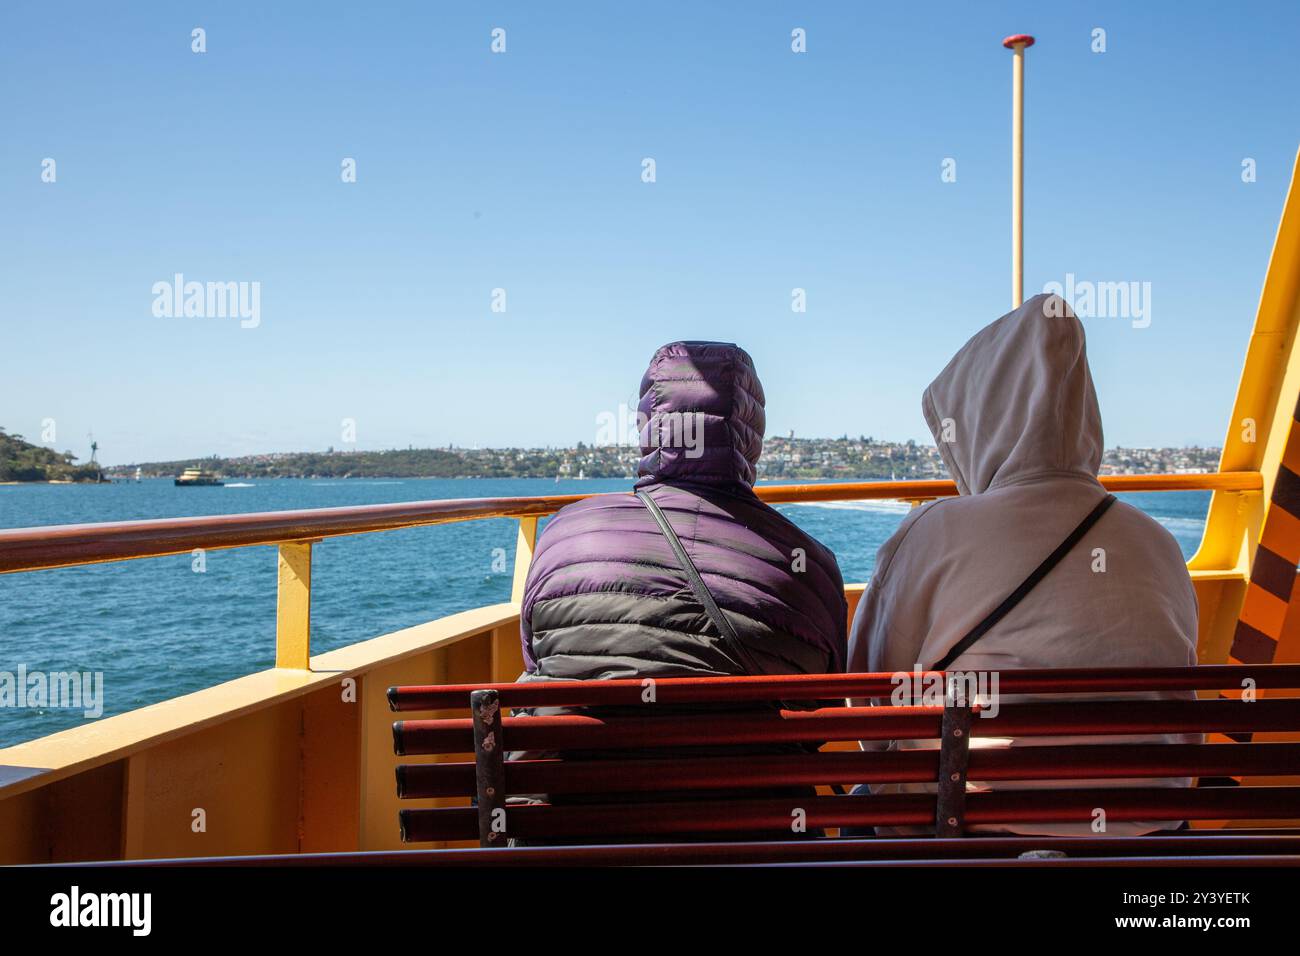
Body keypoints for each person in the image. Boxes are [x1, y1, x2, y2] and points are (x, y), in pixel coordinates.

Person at [848, 293, 1200, 837]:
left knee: (865, 800)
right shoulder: (1159, 543)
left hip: (967, 833)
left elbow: (871, 695)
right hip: (1143, 835)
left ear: (984, 417)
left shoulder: (933, 530)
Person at [513, 340, 848, 840]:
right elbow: (817, 712)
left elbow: (540, 662)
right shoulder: (809, 564)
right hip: (758, 847)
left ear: (648, 423)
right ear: (749, 433)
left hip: (575, 839)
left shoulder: (564, 534)